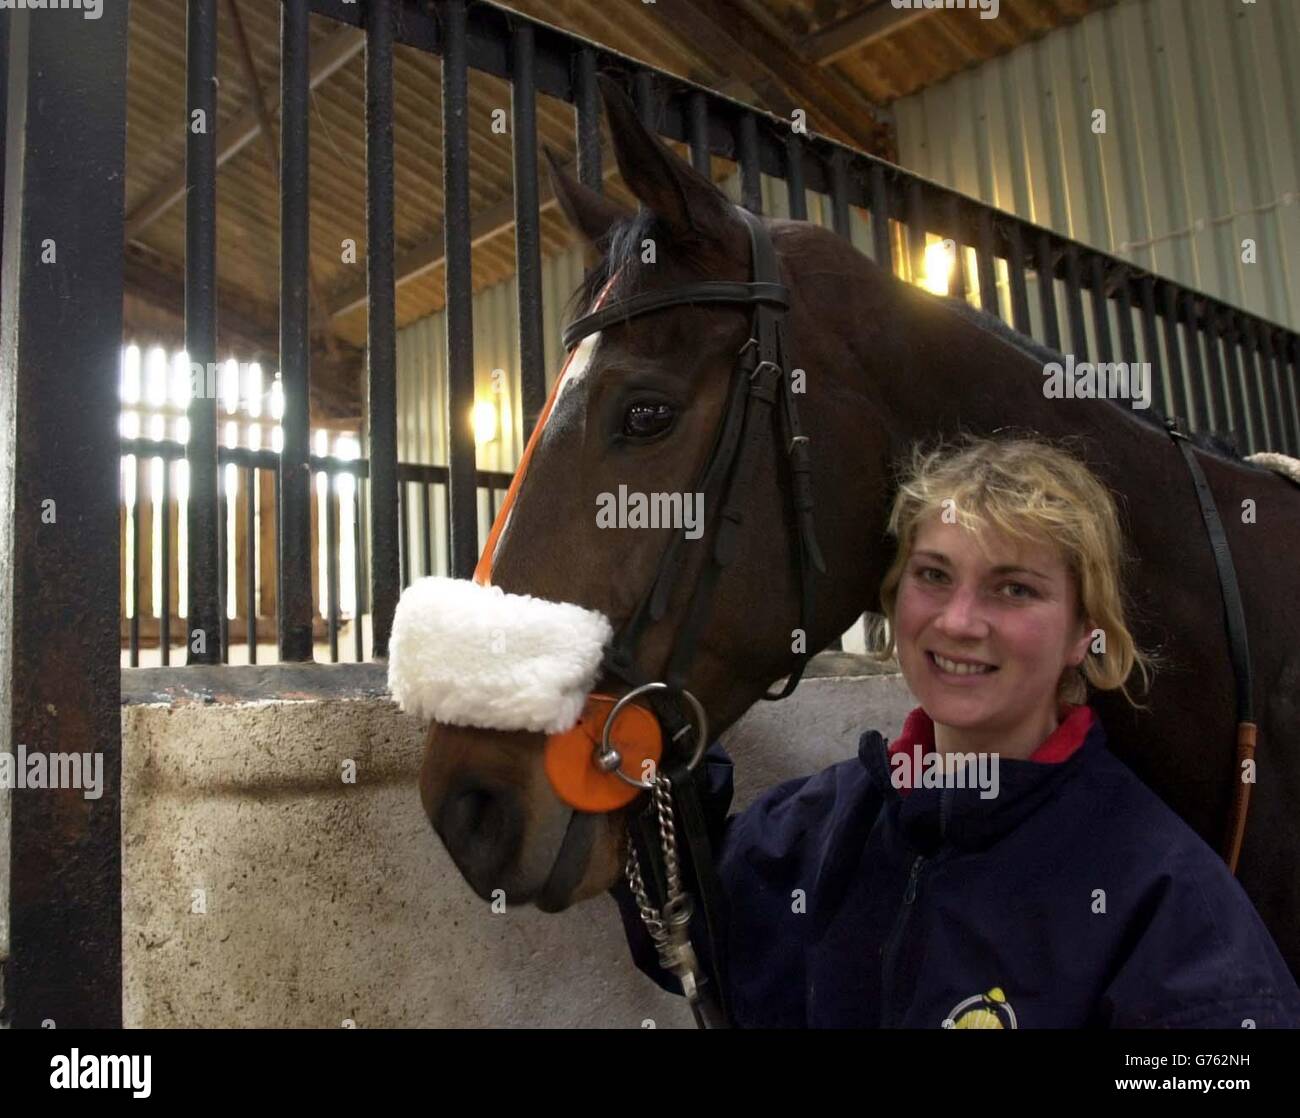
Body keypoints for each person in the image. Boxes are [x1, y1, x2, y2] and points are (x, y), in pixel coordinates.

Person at [610, 436, 1300, 1028]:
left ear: (1085, 634)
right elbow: (686, 923)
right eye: (934, 575)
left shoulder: (1165, 903)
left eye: (1015, 588)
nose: (959, 621)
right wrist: (648, 742)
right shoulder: (816, 831)